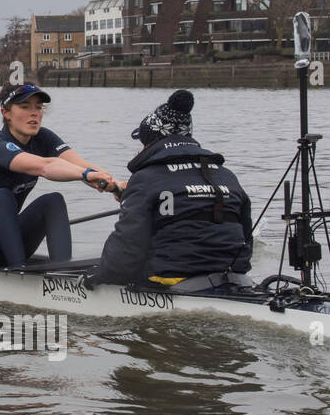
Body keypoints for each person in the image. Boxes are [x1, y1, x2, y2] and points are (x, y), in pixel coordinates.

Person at [0, 82, 118, 269]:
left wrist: (116, 184)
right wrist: (86, 175)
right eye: (25, 107)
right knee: (2, 197)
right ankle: (19, 271)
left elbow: (79, 164)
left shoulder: (43, 138)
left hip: (2, 242)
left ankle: (62, 274)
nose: (34, 113)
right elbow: (45, 166)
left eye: (38, 107)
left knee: (53, 200)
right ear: (6, 114)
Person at [89, 90, 253, 288]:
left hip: (174, 282)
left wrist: (99, 277)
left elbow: (127, 247)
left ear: (152, 141)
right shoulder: (227, 175)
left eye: (142, 143)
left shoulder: (145, 179)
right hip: (237, 280)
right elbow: (246, 238)